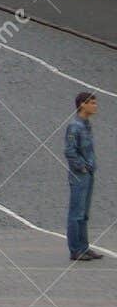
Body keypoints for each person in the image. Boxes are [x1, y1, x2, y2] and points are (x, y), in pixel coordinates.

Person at [65, 91, 101, 262]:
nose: (95, 106)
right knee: (76, 213)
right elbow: (70, 152)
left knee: (84, 213)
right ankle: (75, 250)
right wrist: (83, 168)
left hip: (89, 172)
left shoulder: (86, 124)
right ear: (82, 105)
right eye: (92, 103)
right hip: (80, 175)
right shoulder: (75, 126)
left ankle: (84, 247)